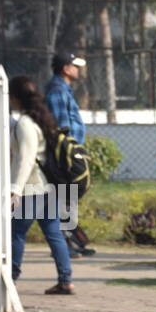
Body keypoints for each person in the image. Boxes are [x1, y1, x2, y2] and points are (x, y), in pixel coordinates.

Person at [8, 76, 75, 294]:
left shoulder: (26, 124)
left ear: (16, 98)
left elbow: (25, 160)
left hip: (33, 186)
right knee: (54, 232)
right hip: (48, 186)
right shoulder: (43, 118)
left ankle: (9, 278)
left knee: (17, 232)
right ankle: (65, 280)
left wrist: (15, 190)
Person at [44, 52, 92, 257]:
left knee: (68, 196)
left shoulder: (64, 89)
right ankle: (64, 245)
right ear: (65, 68)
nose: (78, 70)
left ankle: (72, 241)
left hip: (70, 151)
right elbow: (60, 127)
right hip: (64, 153)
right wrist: (69, 152)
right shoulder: (57, 91)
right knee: (63, 196)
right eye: (75, 66)